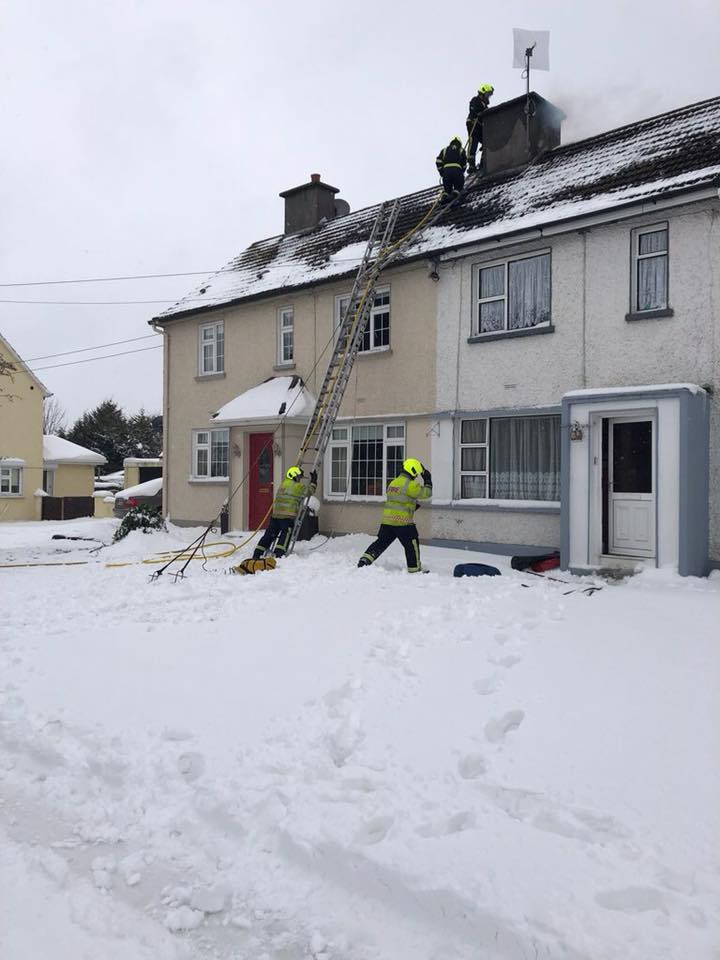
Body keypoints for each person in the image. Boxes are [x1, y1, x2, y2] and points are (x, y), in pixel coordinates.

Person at [357, 458, 432, 573]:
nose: (416, 476)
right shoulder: (410, 485)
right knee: (412, 545)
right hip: (403, 523)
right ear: (412, 471)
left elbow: (398, 501)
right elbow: (426, 493)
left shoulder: (393, 483)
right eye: (416, 474)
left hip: (387, 522)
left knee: (381, 542)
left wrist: (411, 506)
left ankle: (365, 559)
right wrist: (427, 480)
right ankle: (414, 568)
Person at [252, 465, 317, 559]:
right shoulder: (298, 487)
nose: (299, 479)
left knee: (269, 535)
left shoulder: (283, 484)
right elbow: (309, 491)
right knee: (285, 536)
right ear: (294, 476)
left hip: (275, 516)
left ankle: (257, 554)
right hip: (287, 517)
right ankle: (279, 555)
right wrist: (314, 481)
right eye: (298, 477)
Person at [466, 82, 494, 173]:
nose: (488, 96)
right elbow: (472, 108)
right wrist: (478, 113)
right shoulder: (476, 100)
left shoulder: (485, 106)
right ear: (482, 93)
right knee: (473, 142)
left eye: (489, 95)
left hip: (480, 126)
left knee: (486, 142)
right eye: (487, 94)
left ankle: (483, 162)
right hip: (473, 123)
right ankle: (471, 165)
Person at [435, 136, 467, 205]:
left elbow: (438, 161)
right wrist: (462, 172)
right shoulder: (461, 150)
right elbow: (464, 163)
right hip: (457, 170)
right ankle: (454, 195)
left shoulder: (444, 150)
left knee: (447, 189)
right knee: (458, 186)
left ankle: (445, 197)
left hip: (446, 171)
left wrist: (441, 172)